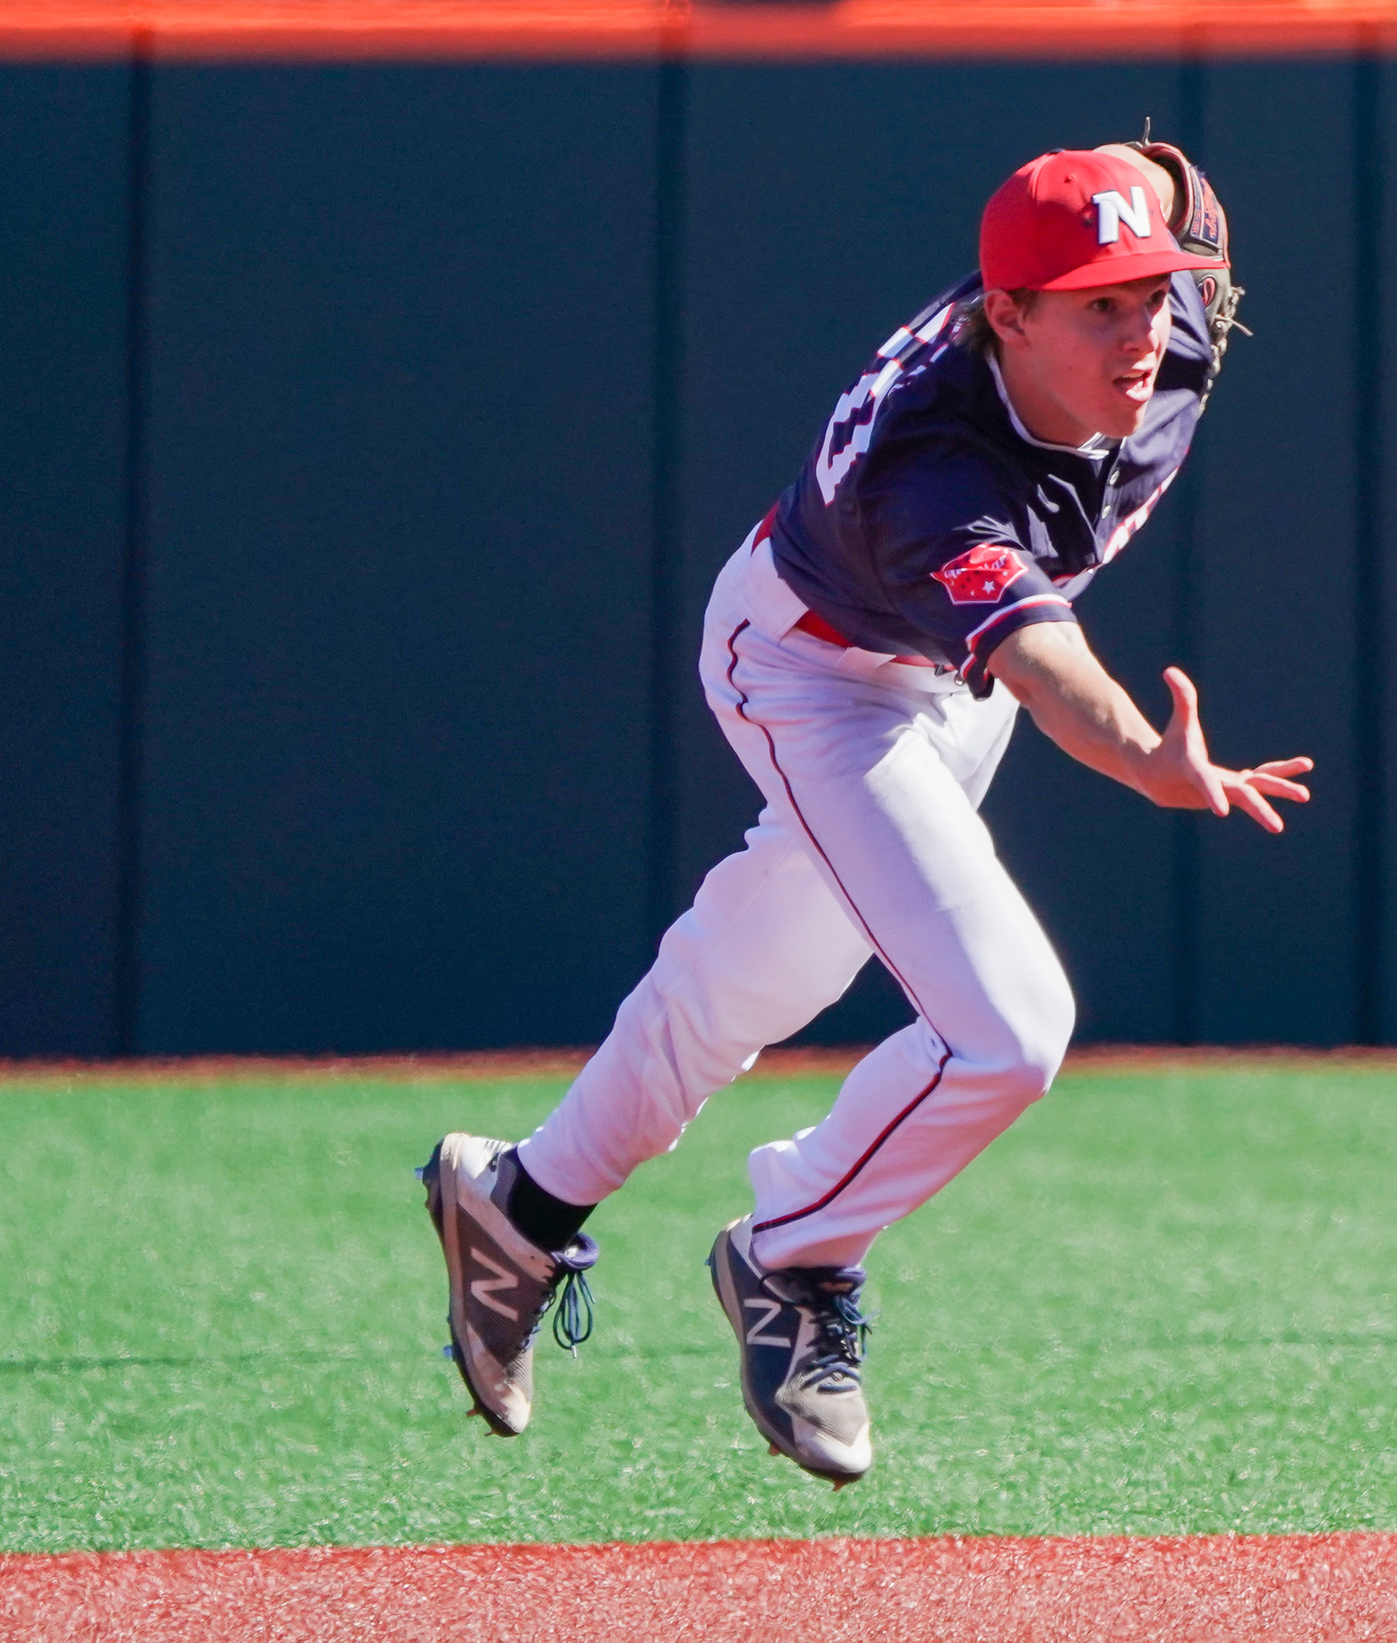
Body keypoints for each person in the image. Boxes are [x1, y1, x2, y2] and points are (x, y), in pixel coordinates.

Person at [420, 140, 1311, 1488]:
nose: (1145, 331)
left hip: (942, 674)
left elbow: (1176, 203)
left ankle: (521, 1205)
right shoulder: (932, 471)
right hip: (815, 665)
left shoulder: (1173, 322)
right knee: (1009, 1031)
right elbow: (1047, 669)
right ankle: (795, 1248)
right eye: (1099, 304)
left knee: (771, 961)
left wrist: (1162, 194)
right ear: (1004, 316)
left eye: (1151, 290)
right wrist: (1146, 757)